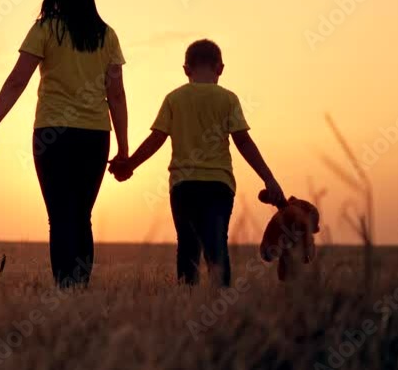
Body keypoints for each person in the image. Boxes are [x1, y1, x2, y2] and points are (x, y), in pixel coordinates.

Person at [0, 0, 128, 288]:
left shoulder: (45, 29)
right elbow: (116, 94)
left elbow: (17, 81)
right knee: (81, 216)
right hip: (95, 136)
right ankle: (79, 288)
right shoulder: (107, 35)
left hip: (52, 135)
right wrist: (124, 148)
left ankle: (65, 289)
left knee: (60, 216)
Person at [118, 39, 286, 287]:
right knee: (216, 244)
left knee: (187, 245)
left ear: (186, 69)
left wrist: (130, 164)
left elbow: (156, 139)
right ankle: (220, 301)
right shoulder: (228, 99)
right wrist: (268, 178)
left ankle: (188, 301)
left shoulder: (174, 98)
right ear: (220, 68)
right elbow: (243, 141)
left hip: (183, 185)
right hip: (219, 186)